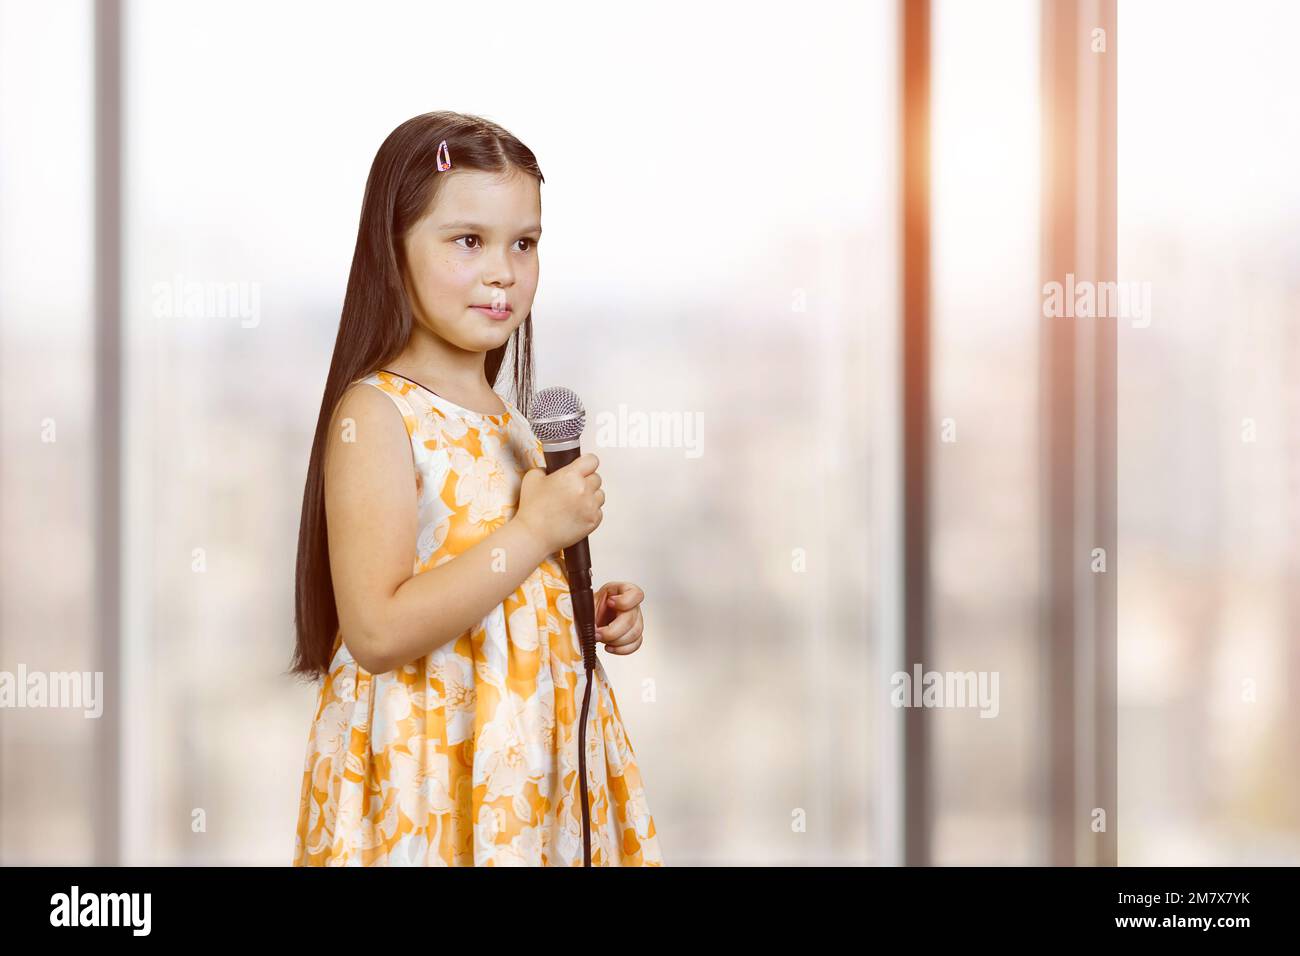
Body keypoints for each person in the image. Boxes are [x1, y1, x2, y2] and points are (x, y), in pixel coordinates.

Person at [288, 111, 662, 866]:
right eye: (469, 241)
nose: (504, 271)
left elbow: (485, 587)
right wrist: (532, 535)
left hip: (523, 768)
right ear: (393, 251)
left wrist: (571, 611)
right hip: (428, 772)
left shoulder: (513, 422)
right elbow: (380, 631)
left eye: (524, 243)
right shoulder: (378, 415)